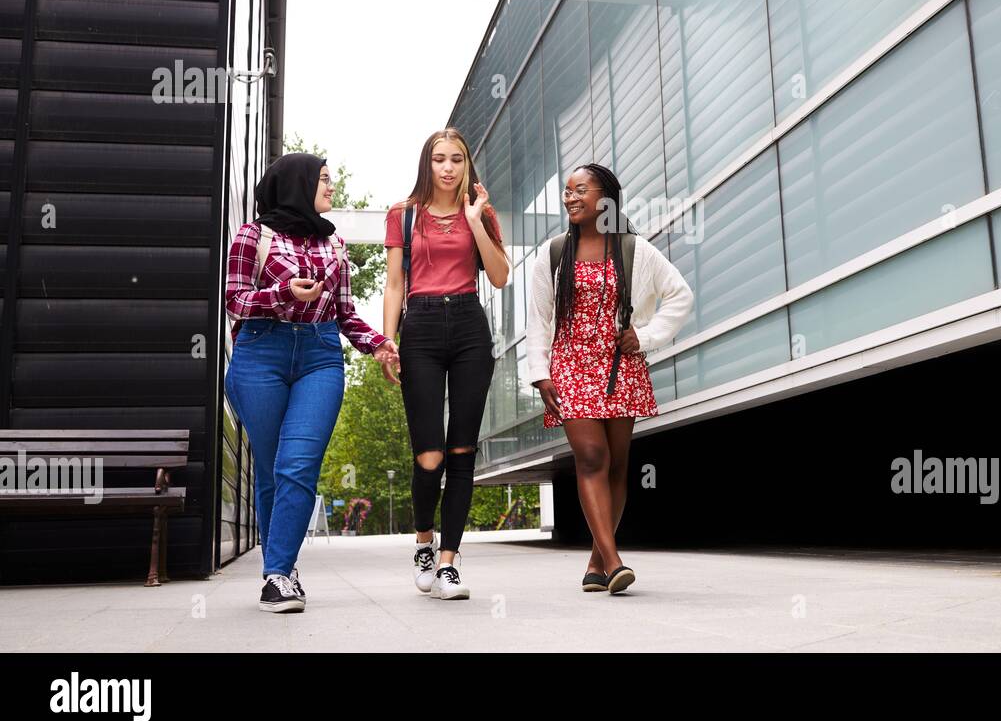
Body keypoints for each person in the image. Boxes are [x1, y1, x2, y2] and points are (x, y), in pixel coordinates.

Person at [224, 152, 399, 613]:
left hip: (321, 357)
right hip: (260, 353)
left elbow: (344, 313)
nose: (332, 188)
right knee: (270, 468)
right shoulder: (252, 236)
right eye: (324, 180)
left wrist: (378, 345)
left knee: (297, 464)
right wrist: (283, 293)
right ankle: (281, 568)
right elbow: (234, 301)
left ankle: (278, 574)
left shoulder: (335, 245)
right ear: (298, 184)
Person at [527, 163, 693, 594]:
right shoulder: (554, 252)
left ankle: (597, 564)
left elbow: (680, 295)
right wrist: (539, 373)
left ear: (606, 196)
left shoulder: (634, 250)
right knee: (592, 458)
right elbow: (539, 319)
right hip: (571, 367)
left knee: (618, 465)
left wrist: (648, 336)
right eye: (566, 191)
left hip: (622, 367)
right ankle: (615, 559)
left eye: (580, 189)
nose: (570, 197)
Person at [381, 129, 508, 599]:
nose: (449, 168)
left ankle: (451, 561)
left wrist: (475, 221)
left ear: (466, 164)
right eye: (440, 159)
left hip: (470, 325)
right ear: (427, 164)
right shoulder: (403, 214)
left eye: (457, 159)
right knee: (429, 453)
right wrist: (387, 342)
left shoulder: (482, 211)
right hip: (422, 327)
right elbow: (395, 284)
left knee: (461, 452)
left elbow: (498, 276)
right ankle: (423, 541)